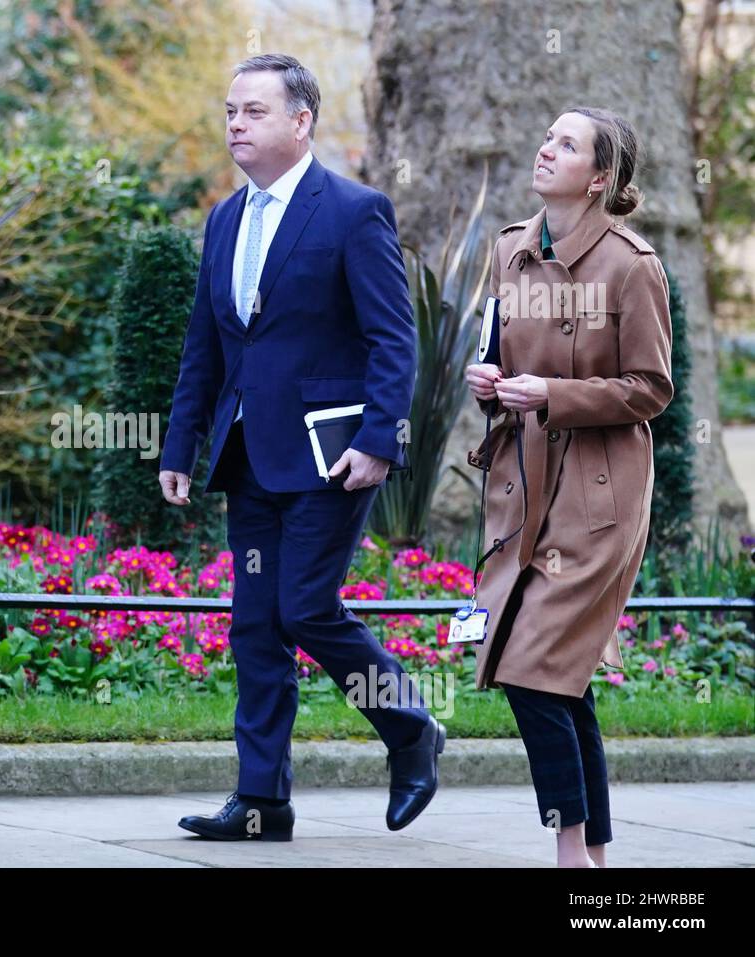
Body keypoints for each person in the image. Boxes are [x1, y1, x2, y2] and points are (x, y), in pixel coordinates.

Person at [159, 54, 444, 842]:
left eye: (253, 111)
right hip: (248, 455)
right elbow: (205, 349)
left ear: (300, 121)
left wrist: (380, 440)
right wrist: (180, 446)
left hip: (332, 456)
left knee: (305, 607)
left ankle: (409, 726)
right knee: (256, 623)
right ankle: (261, 800)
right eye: (229, 112)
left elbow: (395, 337)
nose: (236, 126)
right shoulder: (224, 219)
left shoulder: (353, 212)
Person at [465, 107, 673, 867]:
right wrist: (487, 384)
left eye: (567, 144)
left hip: (599, 494)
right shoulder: (510, 249)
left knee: (533, 669)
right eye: (546, 136)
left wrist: (551, 391)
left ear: (600, 178)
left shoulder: (632, 264)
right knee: (560, 675)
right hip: (525, 487)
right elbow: (499, 359)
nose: (546, 148)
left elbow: (650, 388)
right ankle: (595, 855)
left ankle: (570, 854)